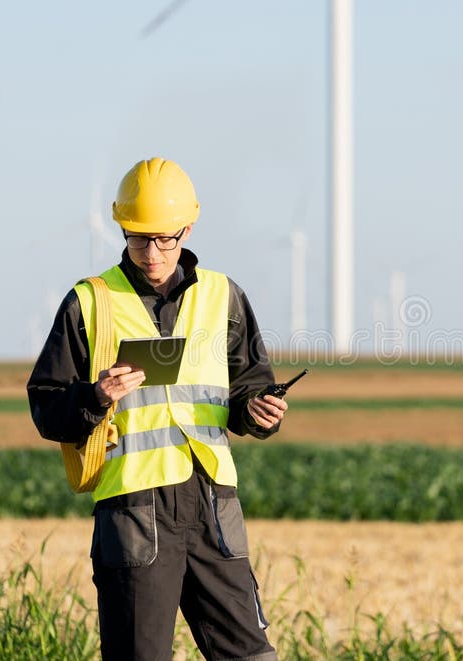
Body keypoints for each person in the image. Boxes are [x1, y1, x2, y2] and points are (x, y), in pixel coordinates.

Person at [27, 157, 286, 661]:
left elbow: (247, 388)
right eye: (138, 238)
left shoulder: (224, 296)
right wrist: (95, 396)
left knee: (251, 656)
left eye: (164, 238)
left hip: (213, 502)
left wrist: (258, 412)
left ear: (187, 228)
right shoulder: (89, 303)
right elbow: (47, 406)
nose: (151, 252)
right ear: (122, 228)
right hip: (134, 511)